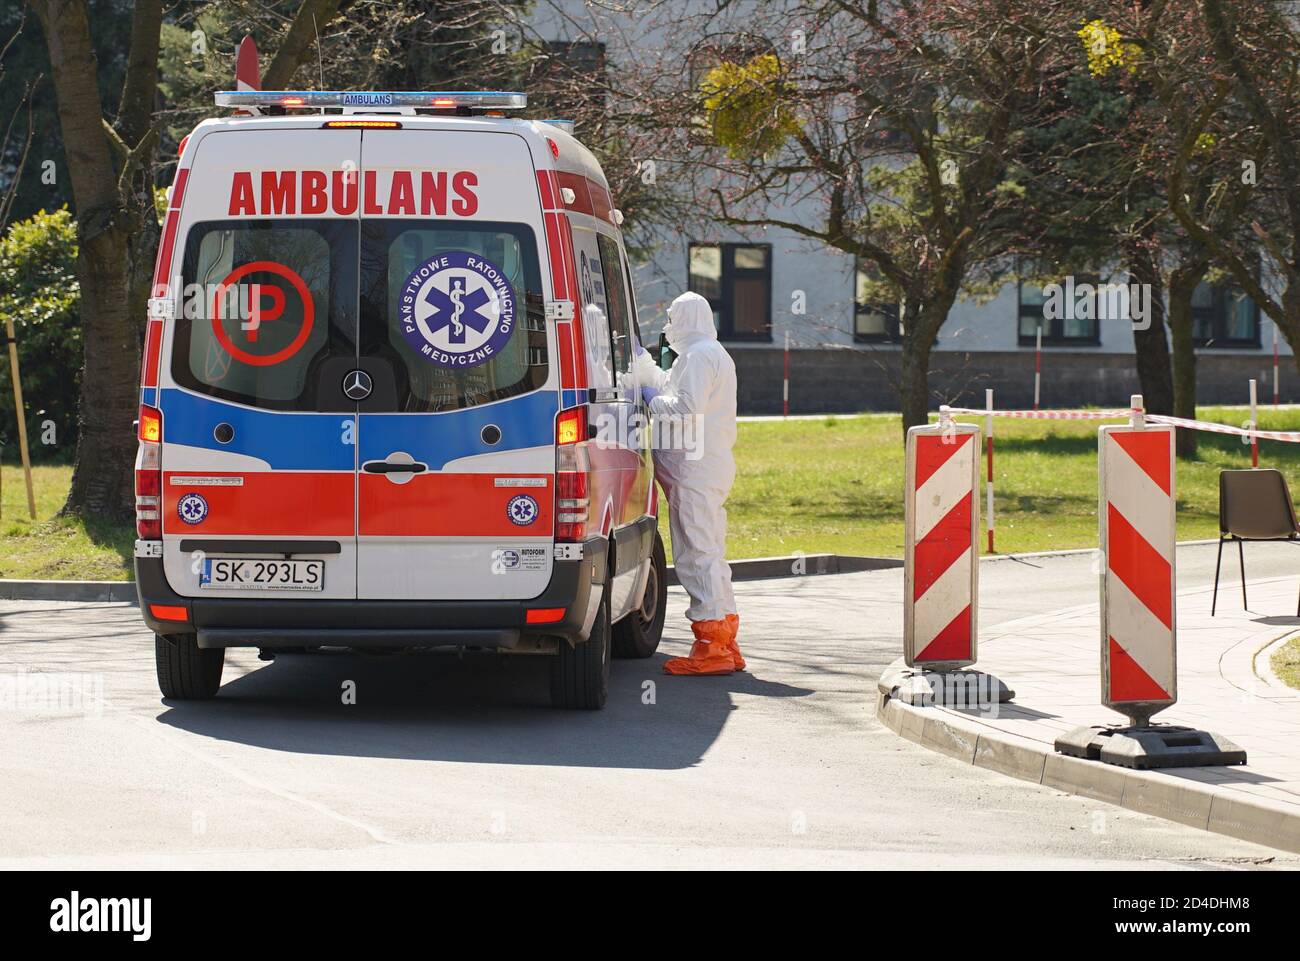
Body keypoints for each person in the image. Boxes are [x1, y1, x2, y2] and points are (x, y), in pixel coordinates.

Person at [631, 291, 743, 675]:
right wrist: (644, 364)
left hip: (694, 470)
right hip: (705, 467)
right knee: (710, 552)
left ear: (685, 318)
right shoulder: (706, 353)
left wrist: (647, 400)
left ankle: (713, 650)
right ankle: (725, 638)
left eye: (671, 316)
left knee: (696, 554)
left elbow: (681, 407)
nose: (667, 324)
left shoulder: (698, 355)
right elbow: (670, 385)